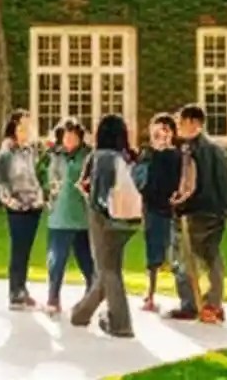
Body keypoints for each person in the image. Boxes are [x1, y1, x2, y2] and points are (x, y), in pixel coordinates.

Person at [166, 104, 227, 324]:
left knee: (184, 257)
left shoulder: (190, 151)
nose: (178, 127)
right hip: (218, 211)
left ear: (193, 123)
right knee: (213, 256)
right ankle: (214, 303)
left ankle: (191, 305)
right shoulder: (218, 149)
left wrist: (179, 204)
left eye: (181, 122)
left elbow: (189, 185)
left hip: (196, 211)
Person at [70, 114, 140, 338]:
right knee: (109, 268)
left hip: (106, 219)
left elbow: (99, 194)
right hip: (130, 220)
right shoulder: (128, 157)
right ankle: (81, 313)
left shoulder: (100, 157)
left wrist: (88, 194)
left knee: (108, 270)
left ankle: (120, 323)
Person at [0, 109, 45, 310]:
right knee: (18, 249)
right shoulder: (6, 152)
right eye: (23, 126)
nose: (27, 130)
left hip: (33, 205)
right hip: (17, 207)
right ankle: (15, 292)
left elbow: (34, 176)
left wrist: (40, 197)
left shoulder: (30, 151)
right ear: (14, 127)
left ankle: (22, 288)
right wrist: (9, 201)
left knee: (26, 250)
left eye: (29, 126)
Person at [43, 118, 94, 317]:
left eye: (73, 136)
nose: (70, 140)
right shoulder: (54, 156)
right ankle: (53, 298)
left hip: (83, 217)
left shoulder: (89, 156)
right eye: (66, 136)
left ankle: (92, 297)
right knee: (56, 259)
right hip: (59, 216)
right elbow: (48, 179)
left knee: (87, 260)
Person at [134, 113, 182, 313]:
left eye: (165, 130)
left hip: (173, 210)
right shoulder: (147, 154)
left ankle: (186, 299)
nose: (161, 134)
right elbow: (139, 180)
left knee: (177, 257)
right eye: (157, 130)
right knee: (153, 254)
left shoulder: (177, 156)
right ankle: (150, 295)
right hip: (152, 209)